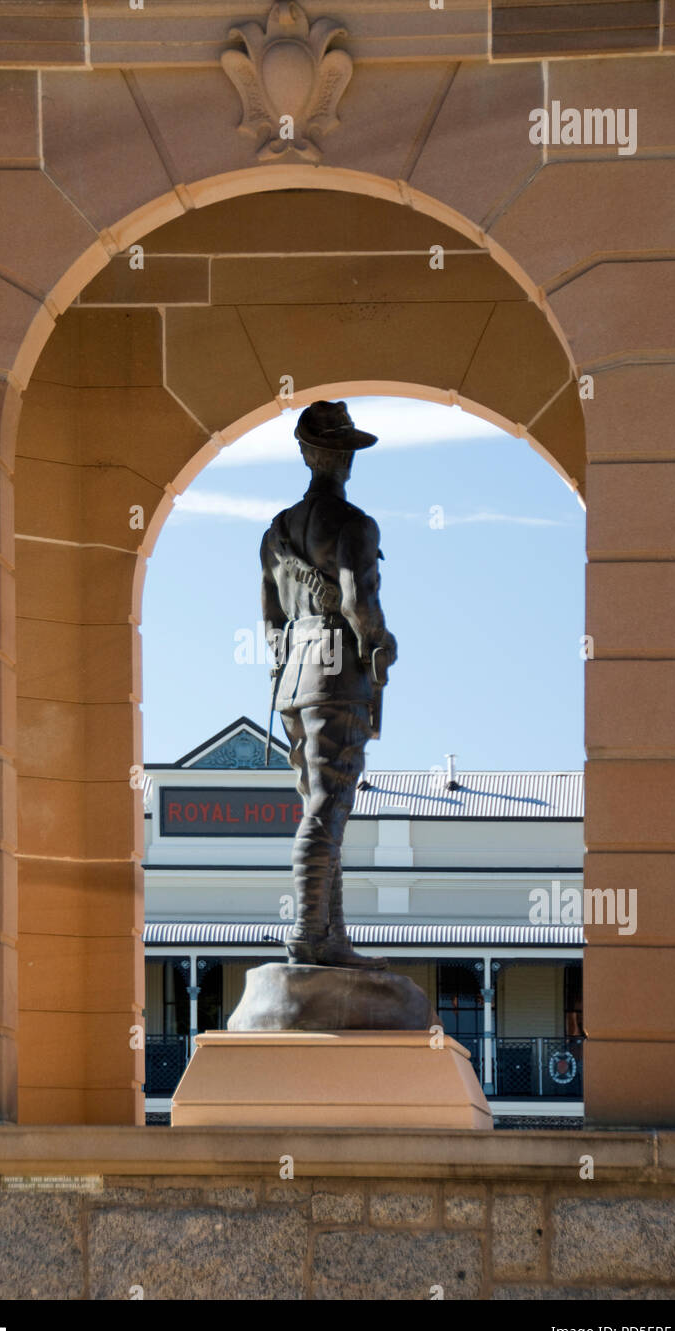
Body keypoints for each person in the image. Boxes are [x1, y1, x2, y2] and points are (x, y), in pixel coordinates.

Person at [260, 400, 397, 969]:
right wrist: (382, 644)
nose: (345, 459)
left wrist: (289, 666)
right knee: (329, 805)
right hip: (337, 672)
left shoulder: (276, 534)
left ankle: (328, 936)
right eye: (342, 449)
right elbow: (359, 602)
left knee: (320, 806)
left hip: (293, 675)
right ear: (333, 456)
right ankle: (307, 935)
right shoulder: (354, 525)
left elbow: (270, 625)